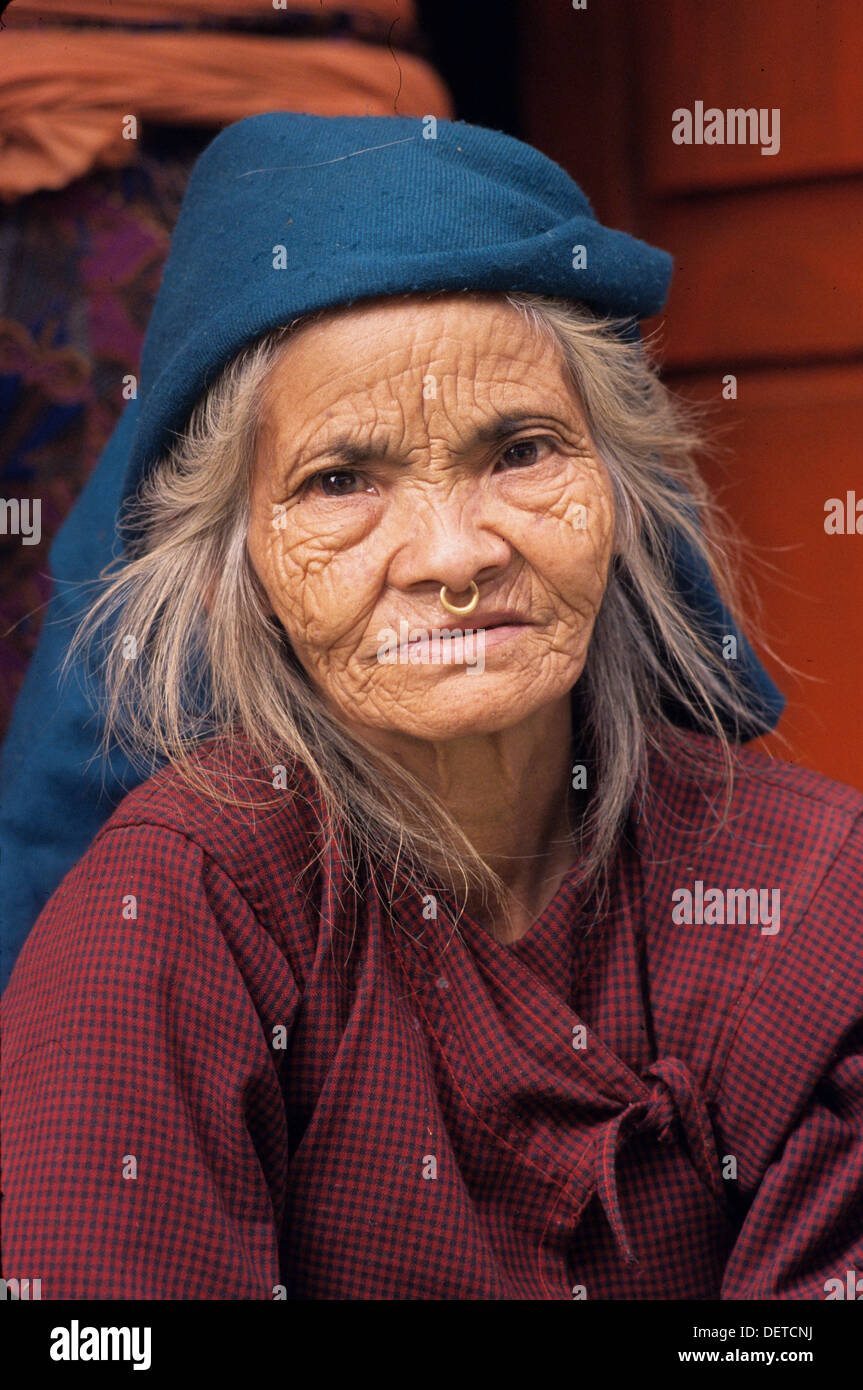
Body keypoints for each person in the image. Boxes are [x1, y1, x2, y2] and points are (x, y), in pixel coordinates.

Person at [2, 112, 861, 1301]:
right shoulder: (173, 917)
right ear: (236, 552)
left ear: (618, 489)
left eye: (519, 451)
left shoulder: (807, 898)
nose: (453, 555)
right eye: (341, 480)